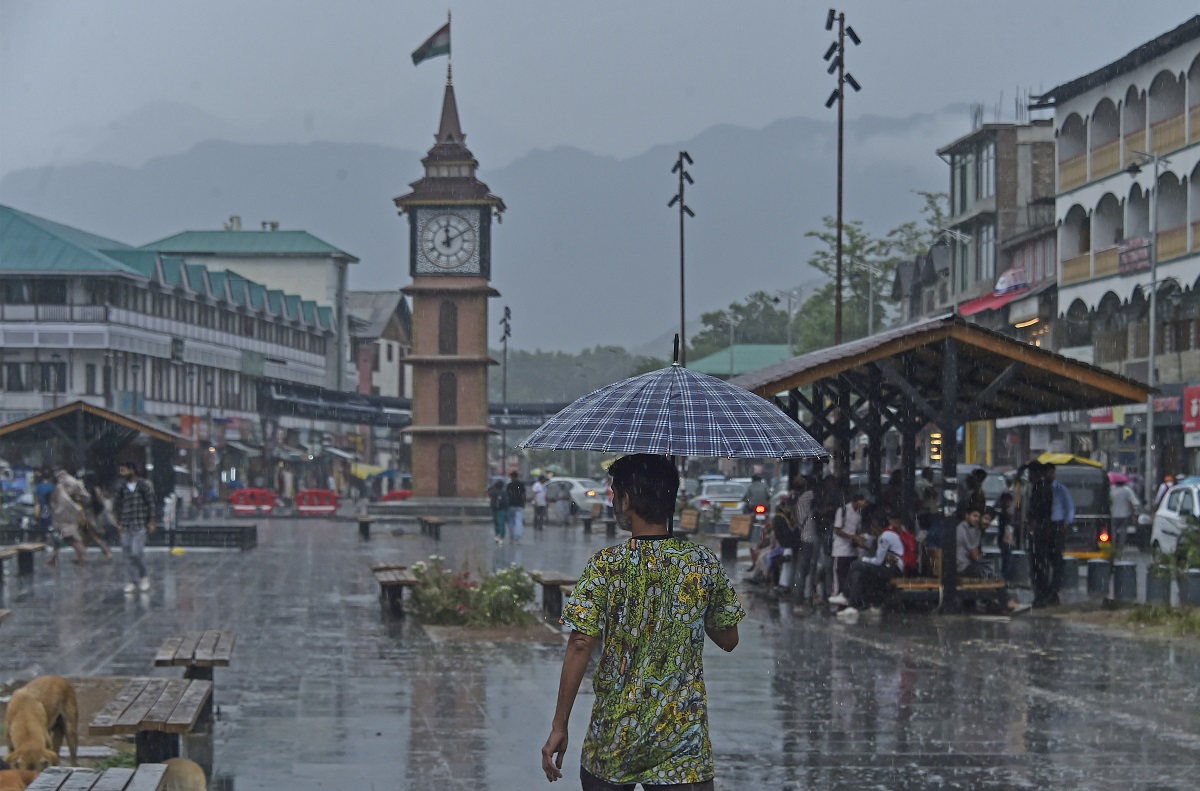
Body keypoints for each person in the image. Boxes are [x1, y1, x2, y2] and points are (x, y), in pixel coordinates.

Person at [541, 454, 743, 790]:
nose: (613, 500)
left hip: (614, 737)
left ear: (627, 500)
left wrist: (560, 724)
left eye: (614, 493)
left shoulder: (606, 565)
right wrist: (692, 600)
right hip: (681, 744)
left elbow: (580, 643)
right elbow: (729, 638)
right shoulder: (702, 563)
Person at [837, 511, 904, 618]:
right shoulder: (887, 535)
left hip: (893, 569)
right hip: (889, 566)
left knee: (856, 565)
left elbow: (877, 561)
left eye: (873, 527)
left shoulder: (885, 537)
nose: (872, 530)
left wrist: (864, 560)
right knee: (860, 573)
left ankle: (846, 596)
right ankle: (856, 605)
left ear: (877, 526)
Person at [112, 461, 156, 594]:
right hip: (126, 524)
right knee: (126, 554)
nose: (122, 473)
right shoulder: (121, 487)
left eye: (124, 470)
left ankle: (143, 576)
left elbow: (150, 503)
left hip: (139, 524)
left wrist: (151, 521)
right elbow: (117, 505)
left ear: (131, 470)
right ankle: (131, 580)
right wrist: (118, 522)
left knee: (136, 552)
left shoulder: (143, 485)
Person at [827, 492, 868, 607]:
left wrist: (859, 539)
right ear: (857, 500)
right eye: (863, 501)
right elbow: (837, 530)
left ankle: (846, 601)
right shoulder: (843, 511)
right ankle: (835, 600)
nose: (865, 504)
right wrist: (852, 537)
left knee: (849, 578)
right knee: (839, 578)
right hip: (840, 550)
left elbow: (857, 531)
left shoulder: (859, 515)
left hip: (852, 551)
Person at [47, 468, 90, 566]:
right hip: (67, 515)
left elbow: (64, 502)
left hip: (65, 516)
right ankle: (53, 558)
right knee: (62, 537)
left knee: (72, 538)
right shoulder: (70, 482)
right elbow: (83, 495)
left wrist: (77, 509)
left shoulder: (61, 486)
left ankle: (83, 555)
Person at [789, 476, 821, 607]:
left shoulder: (797, 499)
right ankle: (804, 597)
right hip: (809, 537)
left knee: (801, 569)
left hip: (803, 537)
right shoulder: (808, 496)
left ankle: (799, 597)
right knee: (807, 569)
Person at [1045, 463, 1075, 604]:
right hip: (1046, 526)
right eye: (1048, 472)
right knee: (1045, 557)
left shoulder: (1061, 489)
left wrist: (1066, 523)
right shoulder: (1041, 489)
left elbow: (1069, 507)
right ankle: (1046, 587)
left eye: (1052, 472)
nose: (1050, 475)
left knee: (1057, 558)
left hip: (1058, 525)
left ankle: (1055, 587)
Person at [1109, 477, 1141, 555]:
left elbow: (1110, 502)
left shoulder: (1112, 492)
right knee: (1123, 533)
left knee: (1113, 533)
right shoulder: (1126, 492)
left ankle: (1113, 548)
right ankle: (1121, 549)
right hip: (1124, 515)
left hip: (1114, 515)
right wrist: (1133, 515)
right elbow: (1130, 504)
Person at [505, 471, 526, 544]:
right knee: (518, 521)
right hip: (519, 505)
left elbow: (506, 495)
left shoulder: (509, 485)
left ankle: (512, 537)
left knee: (511, 522)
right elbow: (523, 495)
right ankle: (518, 538)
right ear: (517, 476)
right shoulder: (521, 485)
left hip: (510, 505)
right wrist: (523, 503)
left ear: (511, 477)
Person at [488, 478, 509, 544]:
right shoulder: (504, 492)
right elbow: (506, 501)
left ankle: (497, 534)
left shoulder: (493, 491)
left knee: (496, 522)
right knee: (501, 523)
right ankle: (501, 536)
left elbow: (489, 491)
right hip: (502, 508)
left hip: (494, 508)